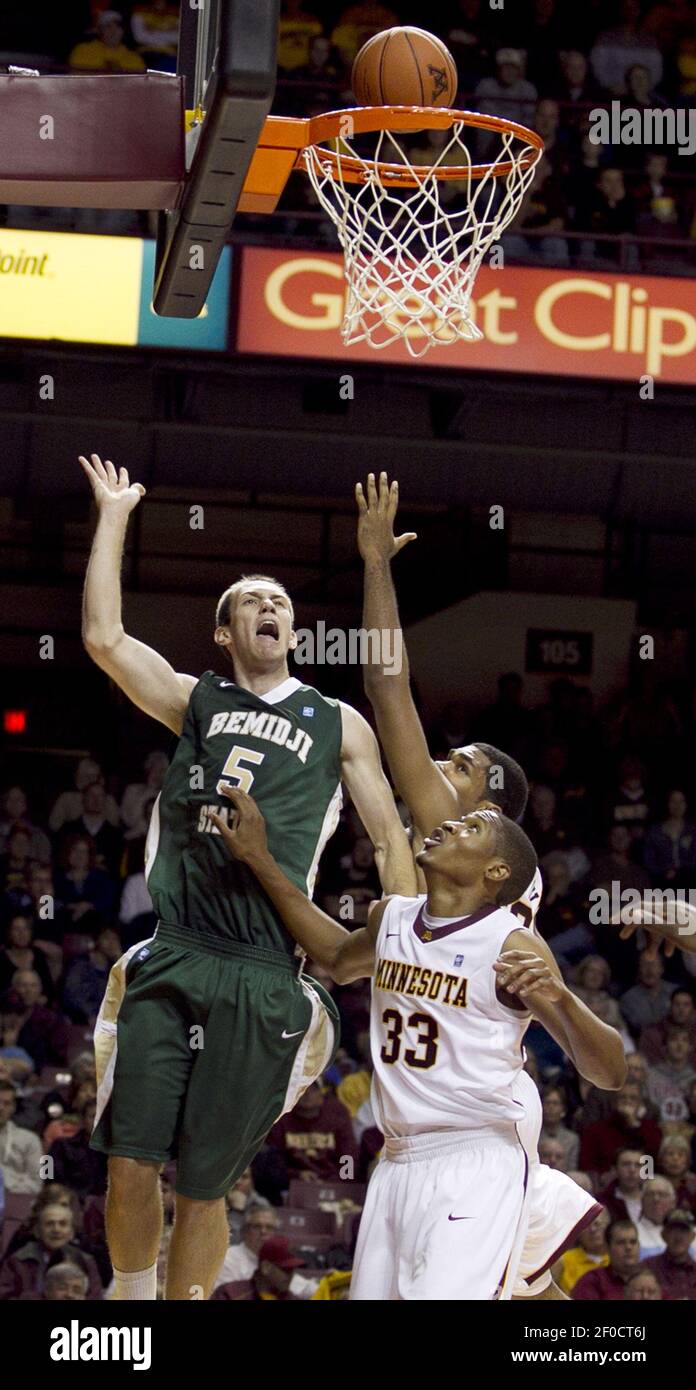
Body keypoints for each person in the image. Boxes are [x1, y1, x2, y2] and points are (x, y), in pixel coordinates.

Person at [79, 451, 416, 1302]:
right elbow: (104, 639)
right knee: (129, 1160)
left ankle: (182, 1302)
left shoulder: (336, 723)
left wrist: (414, 941)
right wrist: (116, 514)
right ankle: (127, 1301)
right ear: (225, 634)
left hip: (267, 971)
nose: (270, 607)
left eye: (282, 603)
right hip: (178, 950)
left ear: (294, 635)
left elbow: (387, 840)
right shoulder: (194, 698)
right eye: (251, 602)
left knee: (202, 1185)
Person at [210, 787, 626, 1301]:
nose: (450, 825)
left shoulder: (509, 942)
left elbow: (609, 1073)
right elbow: (337, 956)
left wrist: (562, 998)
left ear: (495, 872)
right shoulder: (394, 920)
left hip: (476, 1157)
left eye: (471, 829)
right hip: (396, 1161)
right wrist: (259, 858)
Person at [354, 471, 611, 1301]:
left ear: (491, 805)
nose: (437, 770)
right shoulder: (461, 863)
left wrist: (375, 566)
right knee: (524, 1294)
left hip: (476, 1122)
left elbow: (388, 689)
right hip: (452, 1108)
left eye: (457, 767)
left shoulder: (485, 850)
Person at [0, 1203, 103, 1300]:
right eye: (49, 1224)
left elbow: (95, 1297)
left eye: (62, 1224)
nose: (56, 1229)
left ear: (71, 1232)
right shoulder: (17, 1261)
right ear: (37, 1230)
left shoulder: (86, 1261)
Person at [266, 1080, 359, 1185]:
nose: (307, 1094)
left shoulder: (337, 1113)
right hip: (292, 1185)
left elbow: (349, 1156)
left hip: (334, 1184)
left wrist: (339, 1182)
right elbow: (273, 1162)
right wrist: (296, 1175)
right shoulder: (281, 1117)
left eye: (313, 1089)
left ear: (321, 1094)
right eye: (302, 1089)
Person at [213, 1208, 318, 1298]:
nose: (263, 1232)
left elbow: (303, 1286)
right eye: (257, 1226)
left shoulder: (278, 1259)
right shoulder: (227, 1257)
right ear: (244, 1231)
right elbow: (226, 1293)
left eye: (269, 1227)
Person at [579, 1082, 662, 1180]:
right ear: (614, 1102)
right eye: (622, 1097)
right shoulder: (596, 1131)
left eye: (633, 1098)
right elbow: (587, 1166)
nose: (627, 1102)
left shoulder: (651, 1129)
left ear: (640, 1103)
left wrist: (633, 1124)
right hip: (607, 1186)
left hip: (643, 1183)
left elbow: (654, 1161)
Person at [213, 1234, 312, 1301]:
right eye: (285, 1269)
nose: (290, 1276)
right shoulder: (231, 1294)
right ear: (266, 1267)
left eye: (292, 1270)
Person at [572, 1218, 641, 1299]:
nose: (628, 1247)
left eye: (633, 1242)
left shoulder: (651, 1278)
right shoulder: (591, 1281)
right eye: (621, 1242)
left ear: (639, 1246)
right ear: (608, 1247)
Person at [69, 9, 147, 72]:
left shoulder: (134, 59)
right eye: (108, 26)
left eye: (118, 26)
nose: (113, 31)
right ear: (99, 31)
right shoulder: (83, 51)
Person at [620, 951, 677, 1036]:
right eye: (644, 964)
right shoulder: (628, 999)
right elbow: (640, 1027)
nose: (649, 969)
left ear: (662, 968)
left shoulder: (676, 993)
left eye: (654, 964)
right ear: (639, 969)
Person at [0, 1081, 42, 1193]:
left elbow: (36, 1184)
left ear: (13, 1107)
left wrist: (5, 1185)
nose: (1, 1108)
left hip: (15, 1202)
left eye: (6, 1103)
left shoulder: (30, 1140)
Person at [647, 1026, 696, 1123]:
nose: (679, 1045)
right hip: (656, 1127)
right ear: (664, 1046)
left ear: (691, 1047)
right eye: (674, 1040)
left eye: (685, 1040)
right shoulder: (650, 1075)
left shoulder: (694, 1078)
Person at [557, 1207, 610, 1295]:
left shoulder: (618, 1259)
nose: (593, 1229)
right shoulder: (563, 1261)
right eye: (586, 1225)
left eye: (597, 1224)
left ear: (609, 1227)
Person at [0, 914, 54, 1001]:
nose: (22, 933)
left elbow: (48, 990)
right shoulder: (2, 959)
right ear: (9, 933)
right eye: (16, 929)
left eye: (26, 929)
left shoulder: (38, 955)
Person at [644, 1209, 696, 1298]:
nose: (678, 1237)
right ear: (663, 1235)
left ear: (692, 1236)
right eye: (673, 1231)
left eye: (683, 1231)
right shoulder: (647, 1268)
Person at [597, 1147, 644, 1222]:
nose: (632, 1170)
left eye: (638, 1165)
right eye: (626, 1164)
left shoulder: (654, 1199)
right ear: (615, 1169)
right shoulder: (602, 1202)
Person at [635, 1176, 677, 1257]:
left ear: (673, 1202)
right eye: (650, 1194)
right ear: (641, 1201)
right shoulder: (631, 1232)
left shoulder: (689, 1232)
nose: (656, 1199)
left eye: (662, 1195)